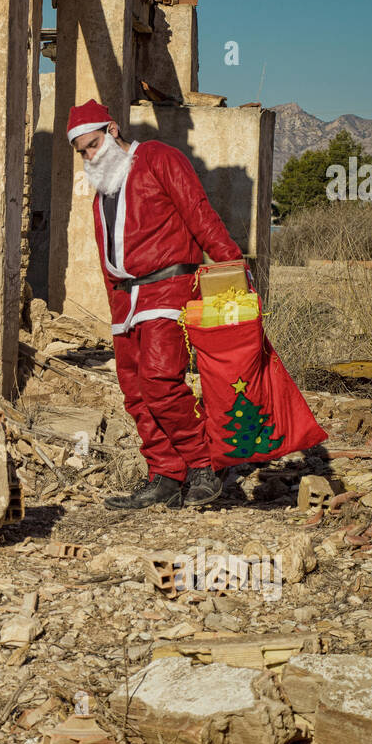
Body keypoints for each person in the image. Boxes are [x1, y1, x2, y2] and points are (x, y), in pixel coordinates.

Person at [66, 98, 246, 509]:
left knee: (160, 381)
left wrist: (232, 269)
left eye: (92, 145)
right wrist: (115, 303)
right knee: (135, 392)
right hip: (126, 300)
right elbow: (107, 253)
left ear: (112, 130)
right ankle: (165, 474)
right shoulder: (104, 189)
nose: (89, 157)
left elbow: (200, 214)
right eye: (82, 153)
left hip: (170, 288)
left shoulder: (160, 158)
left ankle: (205, 466)